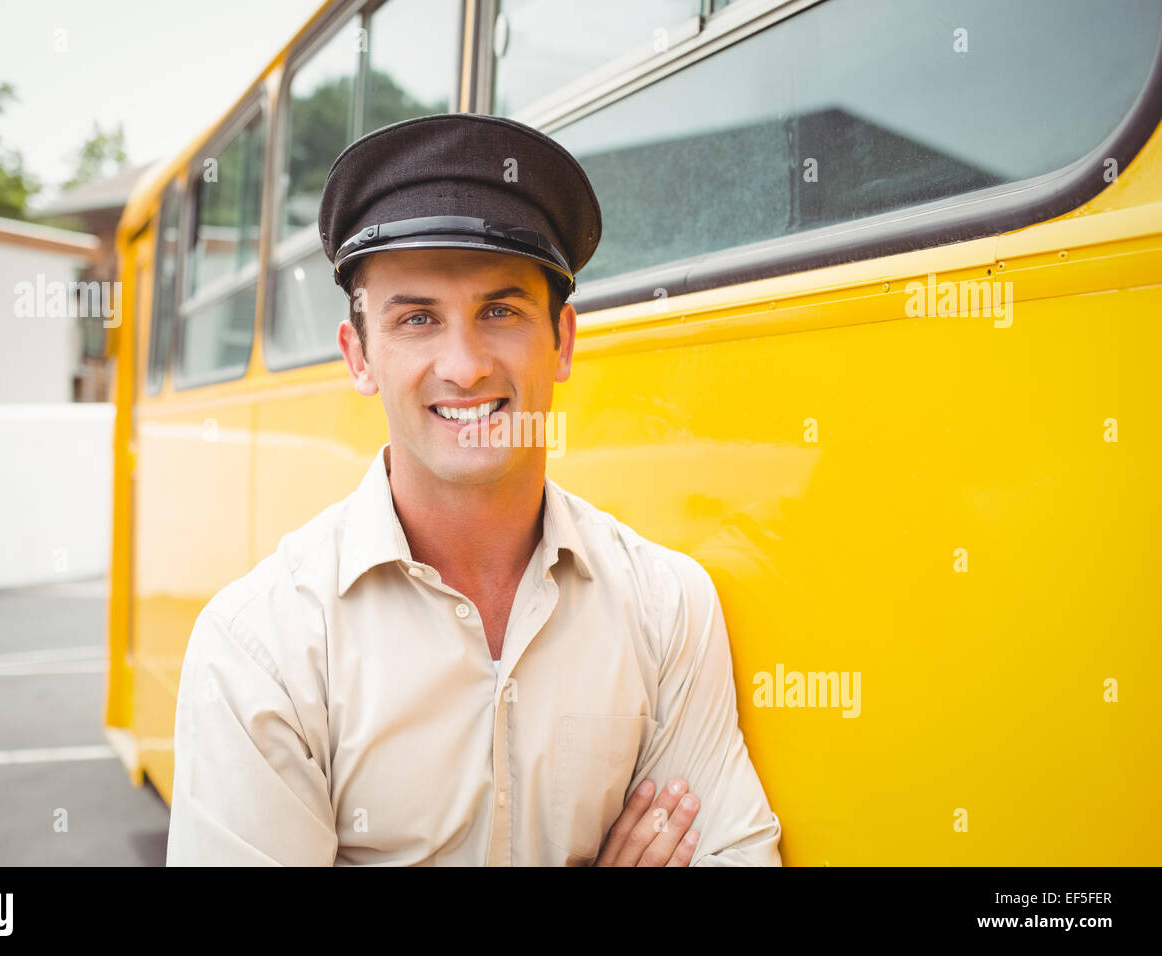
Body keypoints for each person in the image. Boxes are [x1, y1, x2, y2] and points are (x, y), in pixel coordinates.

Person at [165, 113, 782, 866]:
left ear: (562, 342)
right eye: (417, 318)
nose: (464, 365)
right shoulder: (259, 646)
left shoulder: (668, 607)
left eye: (501, 311)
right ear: (359, 357)